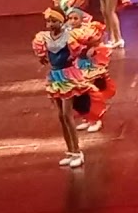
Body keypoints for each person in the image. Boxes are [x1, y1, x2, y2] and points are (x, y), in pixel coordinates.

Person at [32, 9, 98, 168]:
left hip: (68, 76)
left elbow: (90, 42)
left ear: (61, 22)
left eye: (53, 21)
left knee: (67, 115)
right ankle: (70, 151)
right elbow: (45, 56)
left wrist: (87, 51)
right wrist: (42, 57)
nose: (49, 24)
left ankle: (77, 152)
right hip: (55, 77)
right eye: (48, 21)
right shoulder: (44, 38)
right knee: (61, 117)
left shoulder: (70, 37)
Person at [65, 8, 116, 133]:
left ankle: (97, 119)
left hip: (90, 65)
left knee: (92, 92)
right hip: (78, 66)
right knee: (81, 93)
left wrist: (92, 48)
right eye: (70, 18)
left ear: (82, 19)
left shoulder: (89, 30)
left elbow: (96, 41)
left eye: (75, 18)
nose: (72, 21)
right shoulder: (67, 33)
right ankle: (87, 118)